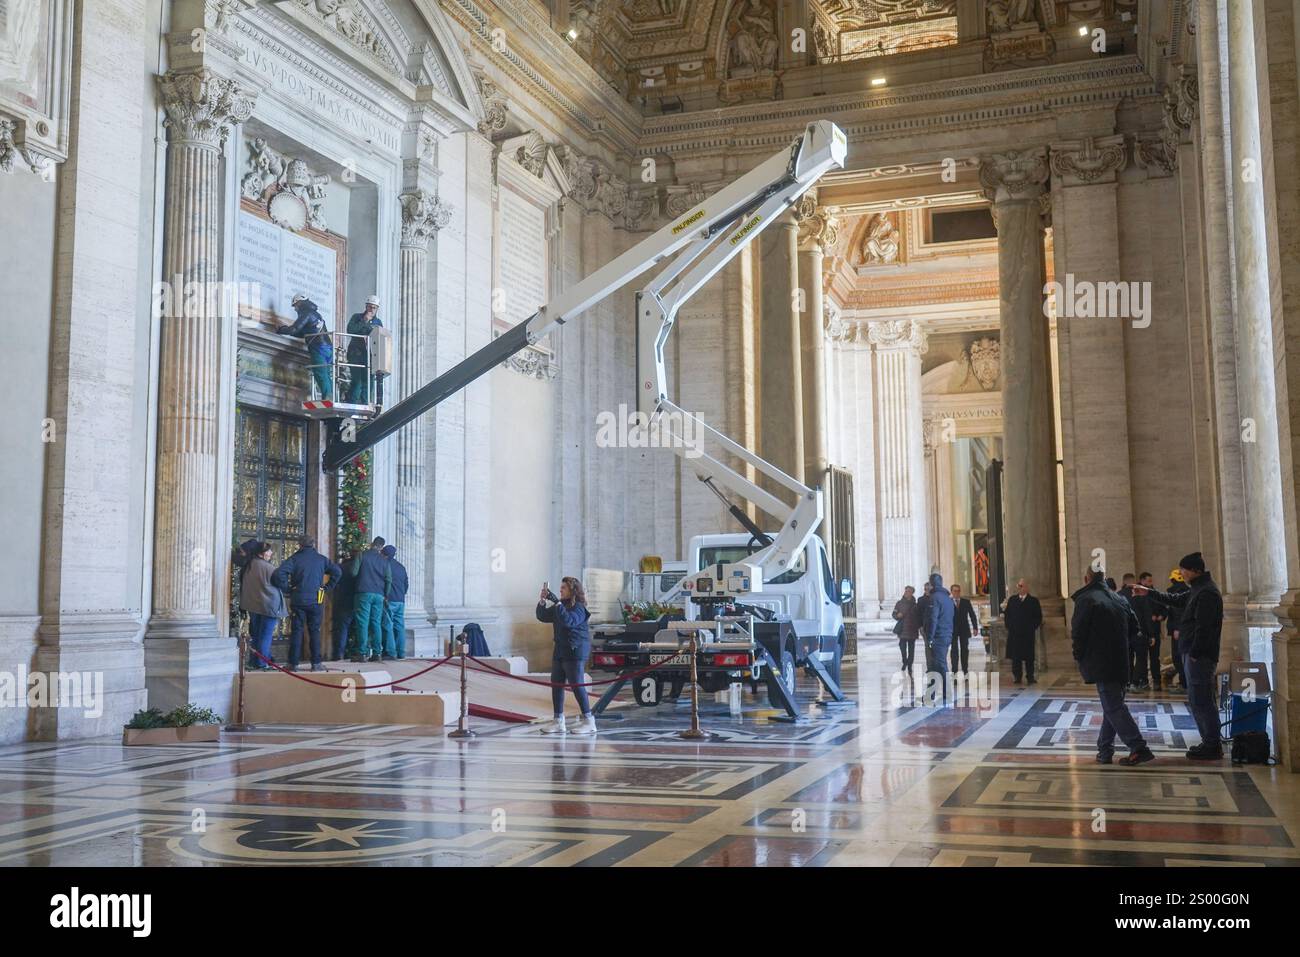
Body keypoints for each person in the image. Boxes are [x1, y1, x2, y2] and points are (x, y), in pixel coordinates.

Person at [1135, 552, 1224, 759]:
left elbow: (1205, 628)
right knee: (1197, 700)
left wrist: (1195, 653)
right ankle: (1208, 742)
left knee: (1202, 701)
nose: (1181, 573)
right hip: (1193, 654)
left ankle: (1212, 745)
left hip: (1199, 656)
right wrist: (1148, 592)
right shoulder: (1197, 589)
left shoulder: (1207, 592)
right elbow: (1174, 600)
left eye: (1184, 569)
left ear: (1195, 570)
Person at [1071, 568, 1156, 766]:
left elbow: (1079, 632)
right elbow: (1135, 629)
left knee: (1113, 706)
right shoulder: (1119, 599)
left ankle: (1139, 747)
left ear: (1086, 579)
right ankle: (1105, 749)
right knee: (1112, 705)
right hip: (1122, 660)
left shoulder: (1087, 599)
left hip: (1101, 660)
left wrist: (1079, 656)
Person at [273, 535, 342, 672]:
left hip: (298, 598)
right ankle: (316, 663)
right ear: (313, 544)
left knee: (297, 631)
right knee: (315, 631)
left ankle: (293, 663)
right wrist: (327, 588)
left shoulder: (295, 559)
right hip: (318, 597)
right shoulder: (321, 559)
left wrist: (287, 589)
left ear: (300, 545)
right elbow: (337, 572)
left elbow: (278, 574)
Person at [537, 577, 596, 735]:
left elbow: (569, 621)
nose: (560, 589)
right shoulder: (560, 606)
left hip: (575, 649)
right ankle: (558, 721)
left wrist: (557, 603)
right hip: (561, 649)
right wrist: (542, 601)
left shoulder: (579, 608)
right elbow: (542, 616)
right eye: (560, 587)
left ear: (572, 590)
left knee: (576, 684)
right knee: (556, 684)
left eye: (564, 587)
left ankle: (589, 721)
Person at [277, 294, 333, 401]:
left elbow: (294, 329)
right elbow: (303, 333)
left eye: (295, 306)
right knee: (326, 374)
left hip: (318, 348)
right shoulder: (315, 314)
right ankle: (332, 396)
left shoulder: (306, 313)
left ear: (299, 303)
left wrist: (281, 330)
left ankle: (328, 398)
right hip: (327, 348)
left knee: (320, 373)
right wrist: (288, 331)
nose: (295, 309)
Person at [239, 541, 285, 671]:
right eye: (268, 551)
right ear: (261, 553)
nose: (271, 553)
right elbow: (281, 582)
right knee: (265, 635)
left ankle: (254, 661)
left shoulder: (248, 565)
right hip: (268, 605)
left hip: (254, 605)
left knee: (257, 635)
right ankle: (261, 663)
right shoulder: (268, 567)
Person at [350, 537, 392, 663]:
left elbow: (353, 573)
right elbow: (389, 580)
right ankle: (377, 653)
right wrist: (386, 594)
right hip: (379, 595)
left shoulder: (362, 555)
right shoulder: (384, 561)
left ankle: (362, 653)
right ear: (381, 547)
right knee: (376, 623)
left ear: (372, 544)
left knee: (363, 622)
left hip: (364, 592)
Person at [923, 573, 955, 704]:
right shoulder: (948, 598)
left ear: (932, 584)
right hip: (946, 635)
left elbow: (933, 619)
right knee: (933, 666)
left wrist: (929, 637)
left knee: (940, 665)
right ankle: (930, 695)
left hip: (938, 637)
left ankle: (947, 694)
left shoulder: (934, 598)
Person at [1003, 578, 1042, 685]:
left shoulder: (1033, 601)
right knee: (1016, 657)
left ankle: (1030, 676)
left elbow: (1038, 617)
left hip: (1027, 634)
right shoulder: (1012, 600)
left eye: (1021, 586)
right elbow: (1007, 615)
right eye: (1018, 586)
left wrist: (1031, 627)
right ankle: (1017, 676)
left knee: (1029, 657)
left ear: (1026, 587)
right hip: (1015, 633)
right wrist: (1009, 626)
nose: (1019, 588)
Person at [346, 295, 383, 404]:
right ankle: (352, 402)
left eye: (374, 307)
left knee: (369, 381)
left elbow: (380, 337)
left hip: (370, 355)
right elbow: (350, 330)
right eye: (370, 307)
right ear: (366, 306)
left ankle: (365, 402)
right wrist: (364, 321)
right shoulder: (356, 317)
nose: (371, 310)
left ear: (377, 309)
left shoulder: (378, 323)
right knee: (357, 380)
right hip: (355, 353)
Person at [1132, 571, 1163, 690]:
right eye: (1149, 581)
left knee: (1155, 658)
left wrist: (1161, 616)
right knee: (1142, 658)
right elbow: (1144, 617)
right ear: (1142, 581)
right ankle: (1143, 681)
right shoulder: (1139, 596)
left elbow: (1163, 609)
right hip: (1144, 632)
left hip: (1154, 630)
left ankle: (1156, 681)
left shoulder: (1155, 594)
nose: (1151, 583)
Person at [1118, 573, 1149, 690]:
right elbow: (1146, 615)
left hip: (1125, 632)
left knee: (1128, 658)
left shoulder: (1118, 596)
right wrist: (1150, 633)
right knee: (1141, 658)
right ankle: (1135, 682)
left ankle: (1128, 681)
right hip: (1139, 631)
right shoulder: (1140, 594)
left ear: (1124, 582)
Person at [380, 544, 409, 660]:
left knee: (388, 624)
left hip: (389, 599)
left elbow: (384, 582)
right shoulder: (401, 567)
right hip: (400, 600)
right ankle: (401, 652)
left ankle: (390, 652)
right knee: (400, 626)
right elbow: (406, 584)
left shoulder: (384, 565)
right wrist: (401, 595)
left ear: (384, 554)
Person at [1163, 568, 1190, 690]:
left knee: (1178, 657)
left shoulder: (1176, 592)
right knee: (1182, 656)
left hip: (1179, 630)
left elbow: (1178, 612)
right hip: (1185, 629)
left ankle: (1184, 683)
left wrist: (1177, 628)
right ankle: (1184, 682)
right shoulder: (1187, 590)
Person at [331, 547, 360, 661]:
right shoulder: (361, 569)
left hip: (343, 601)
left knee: (343, 628)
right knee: (360, 627)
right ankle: (357, 652)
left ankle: (340, 654)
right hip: (358, 602)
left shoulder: (341, 567)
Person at [949, 583, 980, 675]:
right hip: (952, 630)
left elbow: (972, 615)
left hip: (964, 629)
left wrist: (975, 627)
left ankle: (965, 670)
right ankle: (954, 671)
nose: (957, 593)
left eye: (958, 591)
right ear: (951, 592)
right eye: (955, 591)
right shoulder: (948, 602)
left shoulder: (966, 602)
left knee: (964, 650)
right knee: (954, 651)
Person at [892, 586, 920, 674]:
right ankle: (905, 661)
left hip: (912, 629)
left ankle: (910, 665)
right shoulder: (899, 603)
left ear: (912, 593)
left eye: (909, 591)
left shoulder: (915, 604)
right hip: (903, 629)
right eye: (906, 591)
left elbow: (919, 617)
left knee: (911, 649)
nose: (906, 592)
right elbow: (894, 614)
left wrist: (919, 626)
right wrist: (897, 616)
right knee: (902, 647)